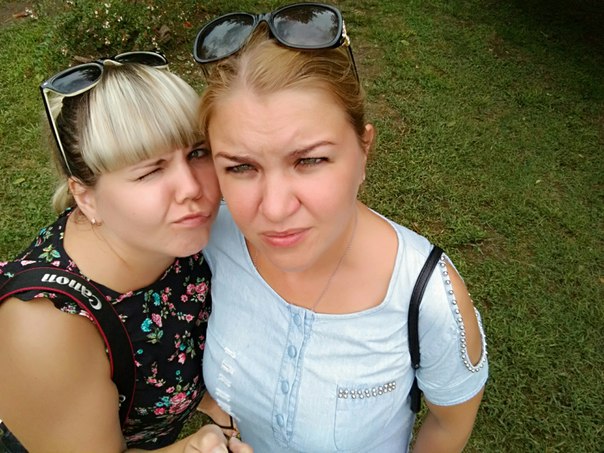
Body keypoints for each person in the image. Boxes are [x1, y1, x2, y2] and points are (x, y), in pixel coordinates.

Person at [193, 3, 489, 452]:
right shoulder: (211, 241)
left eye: (310, 160)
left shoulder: (427, 297)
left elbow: (449, 424)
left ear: (364, 150)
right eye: (240, 167)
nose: (274, 208)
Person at [0, 52, 250, 453]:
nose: (192, 188)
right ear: (86, 197)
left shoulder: (176, 234)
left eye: (197, 153)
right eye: (150, 171)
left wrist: (212, 399)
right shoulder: (46, 329)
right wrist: (191, 448)